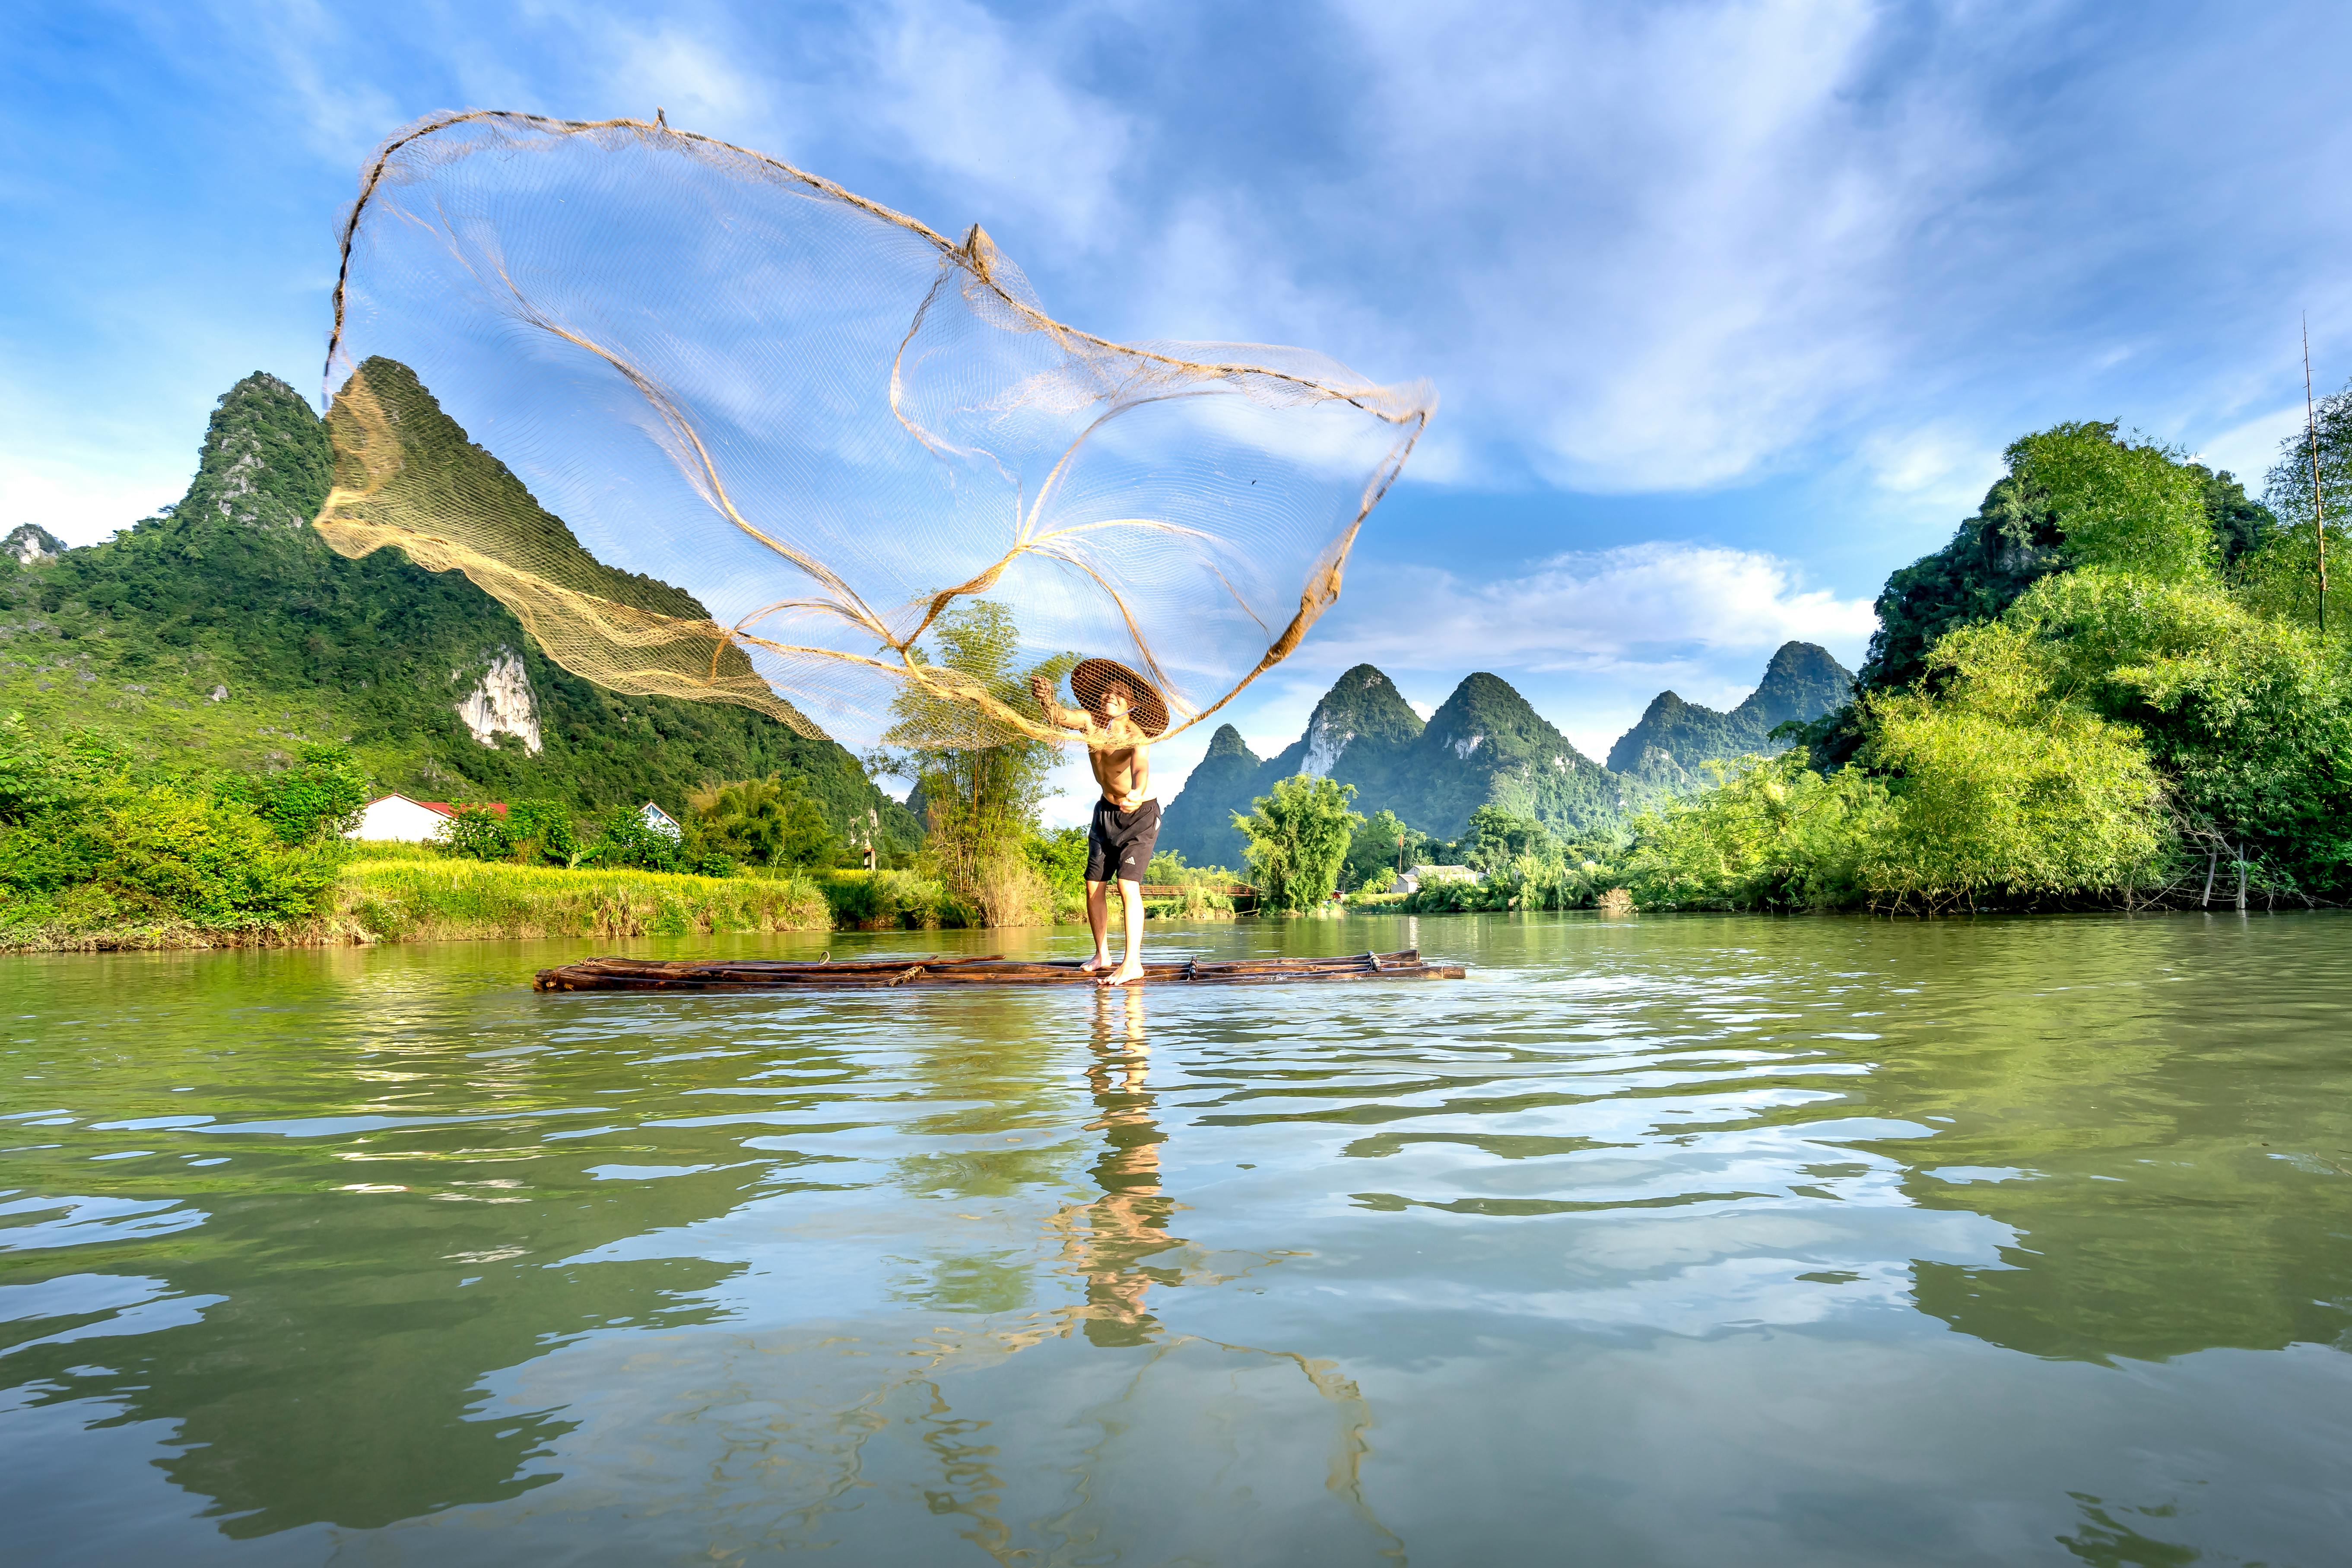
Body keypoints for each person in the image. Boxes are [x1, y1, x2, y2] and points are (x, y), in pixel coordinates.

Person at [1031, 658, 1168, 986]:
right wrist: (1047, 700)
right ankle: (1102, 955)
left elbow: (1141, 768)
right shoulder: (1090, 723)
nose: (1110, 696)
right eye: (1107, 692)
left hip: (1139, 814)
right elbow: (1061, 716)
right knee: (1094, 884)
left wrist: (1136, 792)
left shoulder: (1137, 736)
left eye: (1118, 693)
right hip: (1105, 812)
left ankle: (1132, 963)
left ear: (1131, 704)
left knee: (1127, 885)